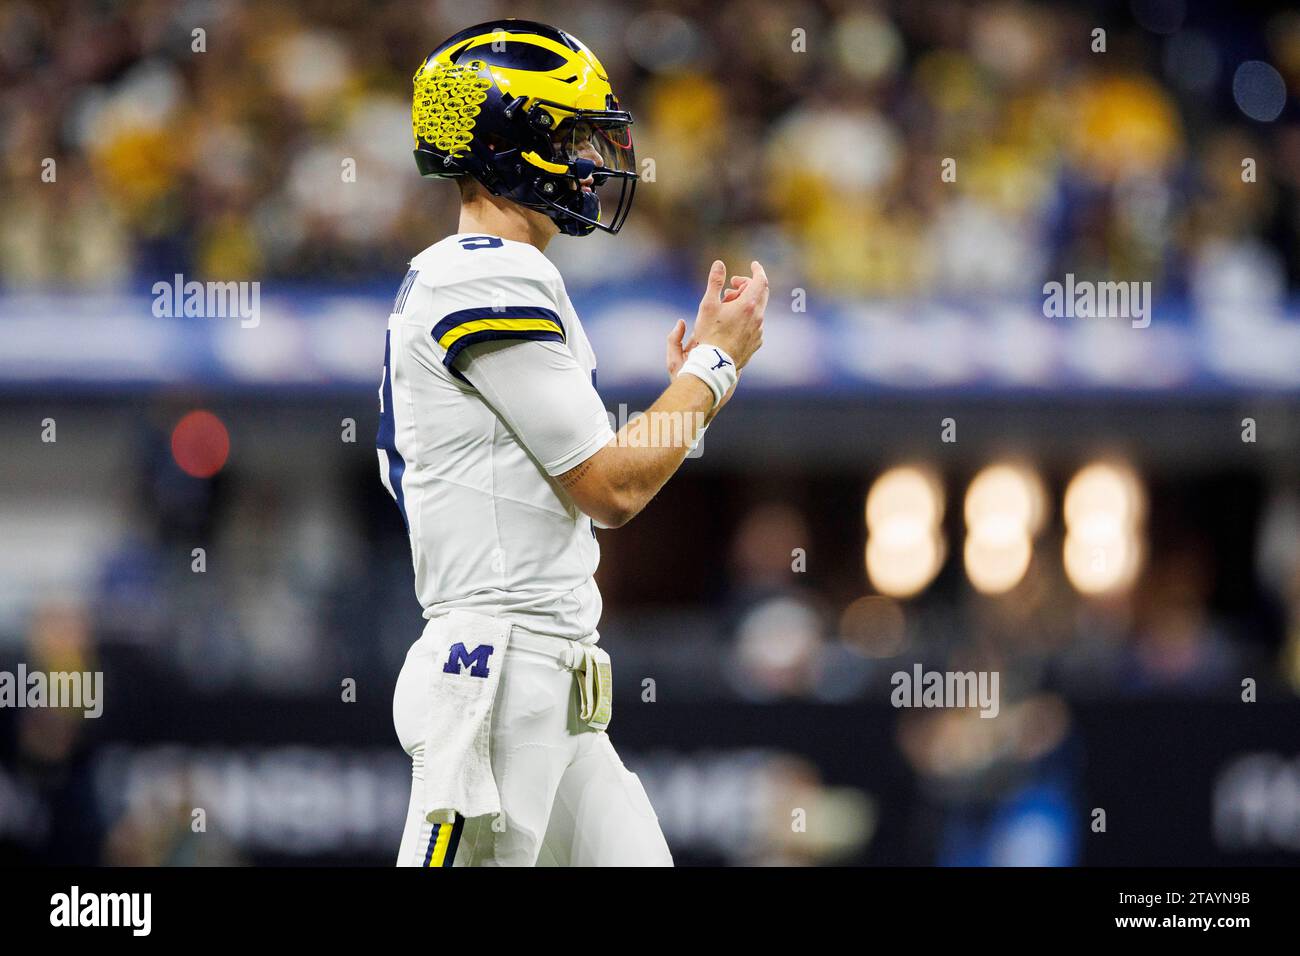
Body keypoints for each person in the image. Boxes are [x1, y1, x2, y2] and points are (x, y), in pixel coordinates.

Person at [381, 19, 767, 866]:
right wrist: (712, 369)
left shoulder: (478, 271)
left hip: (548, 688)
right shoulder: (487, 275)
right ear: (506, 138)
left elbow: (598, 478)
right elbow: (612, 489)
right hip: (497, 681)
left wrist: (692, 390)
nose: (591, 160)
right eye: (567, 134)